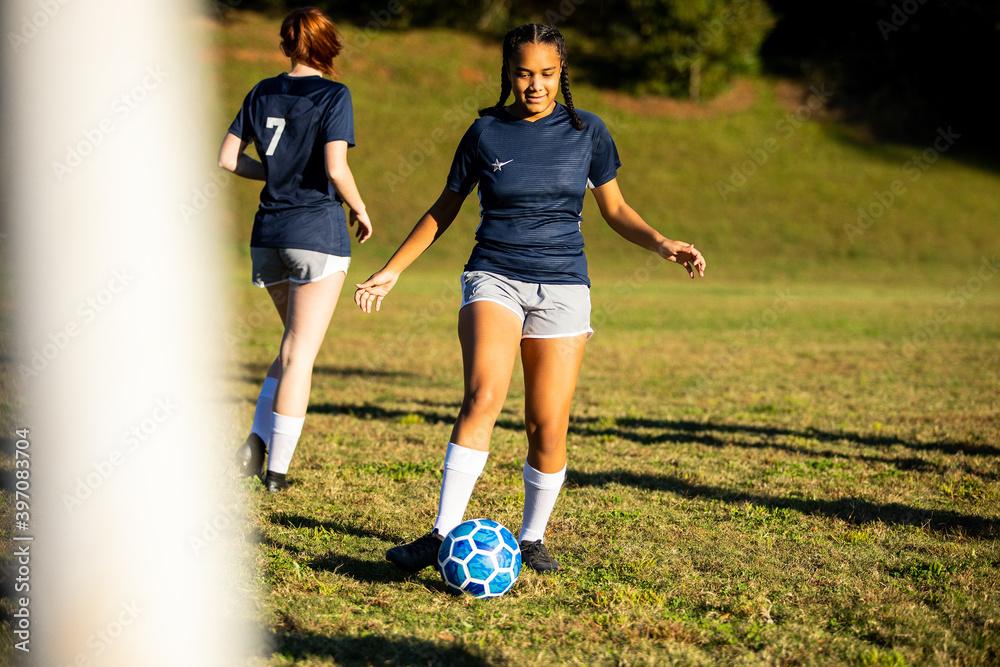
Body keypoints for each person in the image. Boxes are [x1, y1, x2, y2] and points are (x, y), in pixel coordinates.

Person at [354, 23, 705, 572]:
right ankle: (442, 533)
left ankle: (533, 537)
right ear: (507, 74)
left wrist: (661, 242)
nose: (534, 85)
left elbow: (614, 209)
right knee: (483, 396)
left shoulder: (588, 131)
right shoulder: (484, 131)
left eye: (545, 73)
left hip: (564, 285)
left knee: (548, 424)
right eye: (523, 73)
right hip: (494, 275)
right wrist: (393, 269)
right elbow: (443, 207)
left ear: (561, 72)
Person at [219, 7, 372, 493]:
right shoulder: (334, 94)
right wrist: (361, 208)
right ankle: (277, 473)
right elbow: (335, 167)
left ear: (287, 45)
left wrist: (275, 174)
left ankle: (256, 442)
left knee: (290, 344)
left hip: (267, 235)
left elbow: (227, 159)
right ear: (329, 47)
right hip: (315, 234)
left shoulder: (261, 91)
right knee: (300, 351)